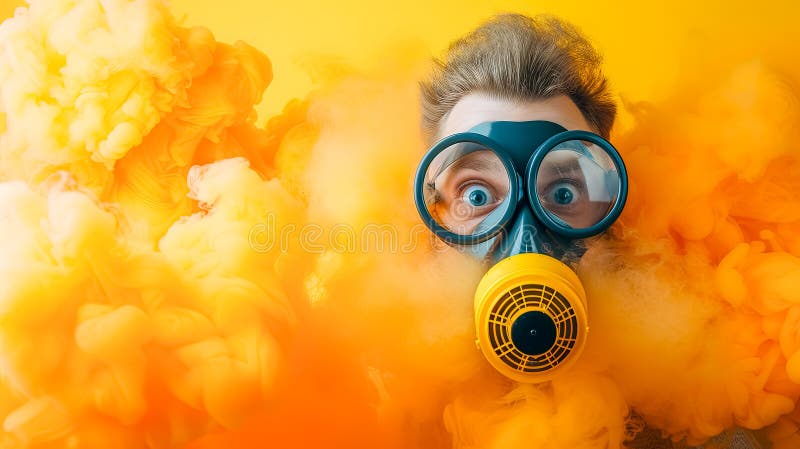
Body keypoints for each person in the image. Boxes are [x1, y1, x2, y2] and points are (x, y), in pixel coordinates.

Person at [412, 13, 767, 449]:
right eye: (477, 195)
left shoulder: (712, 429)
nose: (527, 241)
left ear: (612, 223)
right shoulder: (378, 421)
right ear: (434, 225)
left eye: (563, 193)